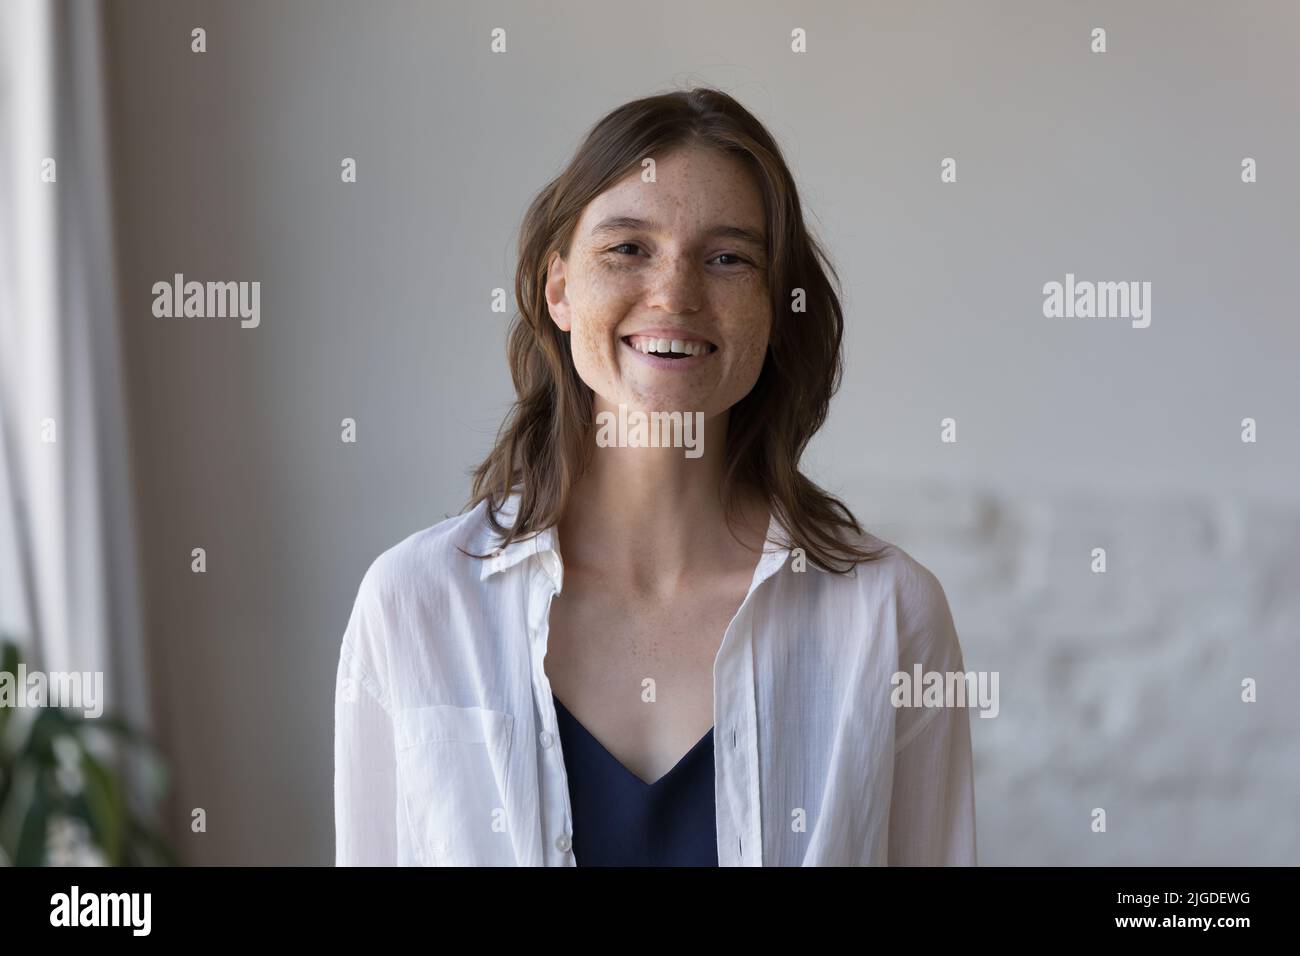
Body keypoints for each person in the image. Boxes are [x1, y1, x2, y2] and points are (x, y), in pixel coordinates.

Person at [334, 87, 976, 866]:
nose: (675, 294)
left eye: (728, 258)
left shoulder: (889, 615)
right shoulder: (413, 604)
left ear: (776, 309)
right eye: (629, 248)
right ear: (560, 289)